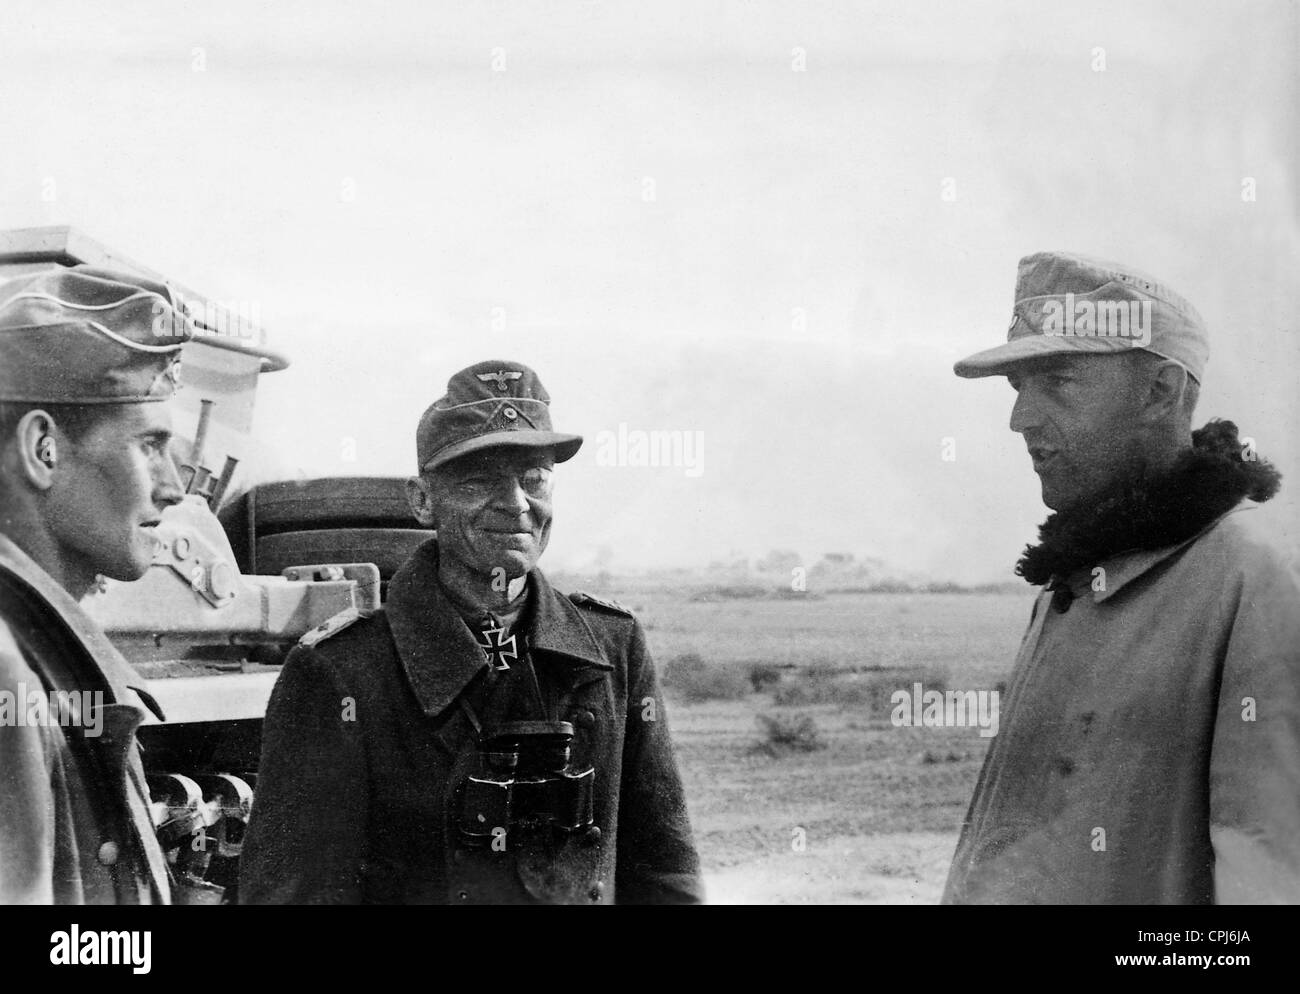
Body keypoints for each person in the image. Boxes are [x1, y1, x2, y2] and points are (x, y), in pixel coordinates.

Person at [239, 360, 703, 904]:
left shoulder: (612, 647)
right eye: (478, 481)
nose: (515, 503)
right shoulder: (341, 671)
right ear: (422, 501)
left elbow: (664, 870)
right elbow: (295, 891)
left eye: (534, 479)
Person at [940, 251, 1300, 904]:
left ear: (1160, 391)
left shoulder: (1258, 578)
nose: (1020, 419)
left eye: (1057, 382)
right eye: (1018, 386)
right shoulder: (1072, 579)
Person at [0, 265, 192, 903]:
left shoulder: (39, 648)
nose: (176, 486)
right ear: (43, 450)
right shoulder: (8, 670)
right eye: (150, 444)